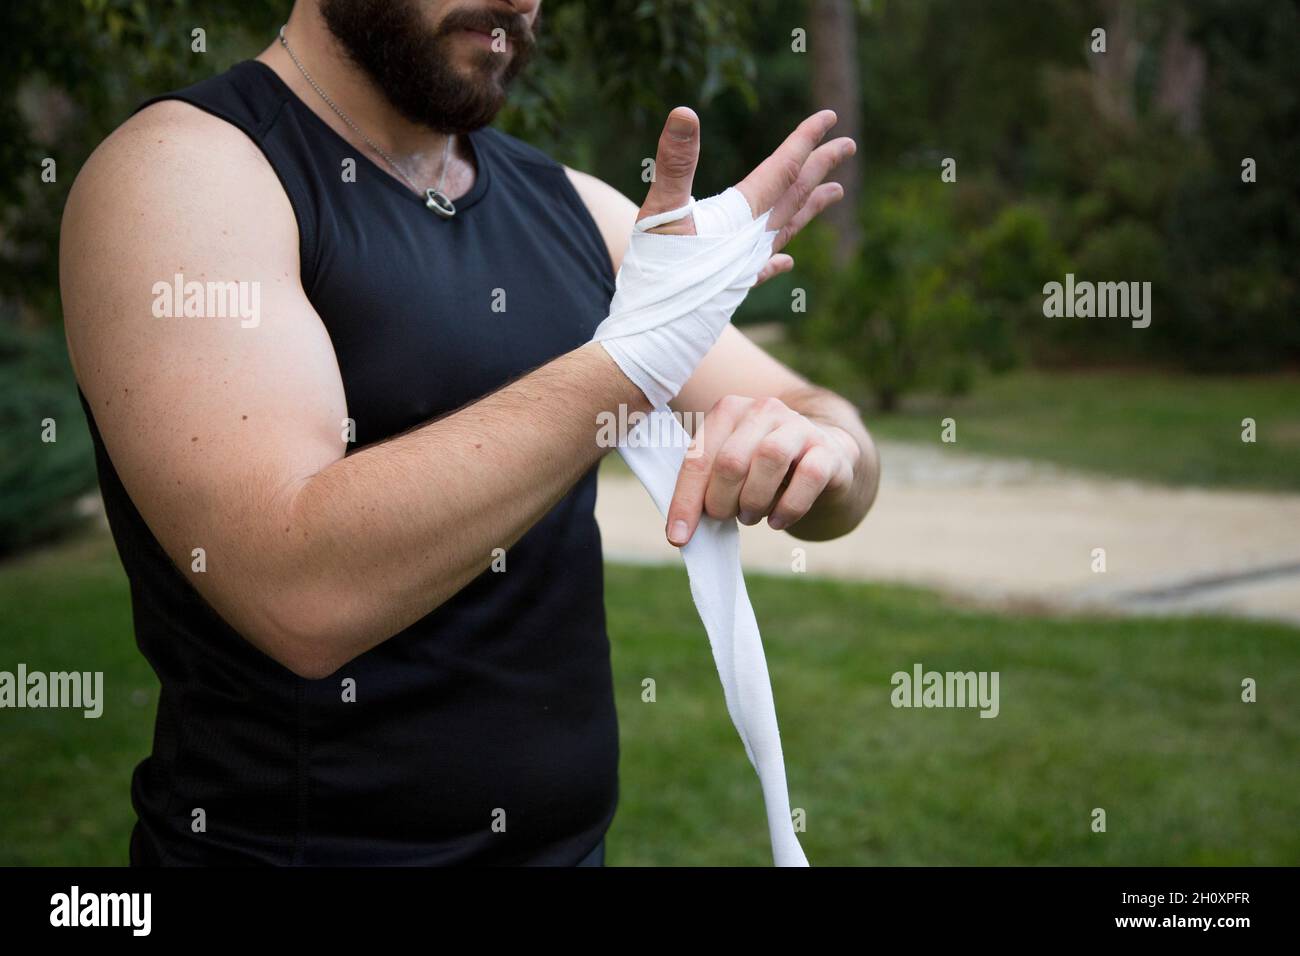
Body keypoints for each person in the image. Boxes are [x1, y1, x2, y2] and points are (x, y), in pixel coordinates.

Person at [59, 0, 880, 865]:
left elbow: (827, 426)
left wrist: (823, 459)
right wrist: (635, 357)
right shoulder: (183, 175)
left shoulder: (571, 207)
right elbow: (295, 587)